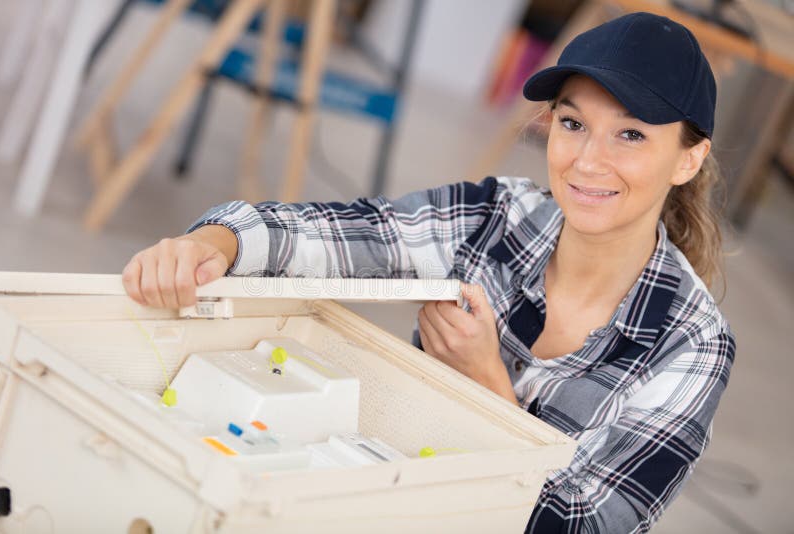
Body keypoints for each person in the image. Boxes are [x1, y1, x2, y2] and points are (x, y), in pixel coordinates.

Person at [122, 12, 735, 533]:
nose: (588, 161)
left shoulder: (692, 345)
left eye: (630, 135)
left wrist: (487, 384)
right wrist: (214, 242)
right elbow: (343, 234)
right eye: (573, 124)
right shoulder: (500, 217)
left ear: (688, 158)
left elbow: (580, 523)